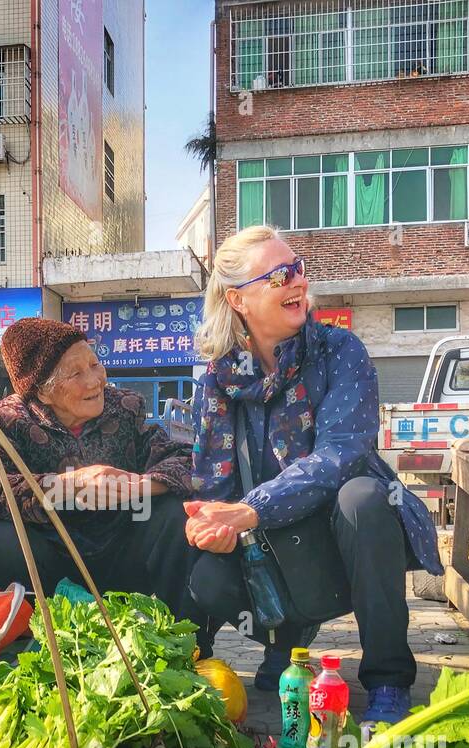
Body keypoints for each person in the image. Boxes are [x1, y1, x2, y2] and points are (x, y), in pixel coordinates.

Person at [186, 226, 441, 722]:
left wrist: (249, 510)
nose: (297, 282)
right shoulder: (216, 380)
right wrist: (212, 522)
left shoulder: (339, 351)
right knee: (202, 567)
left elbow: (341, 454)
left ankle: (388, 677)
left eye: (298, 268)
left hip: (342, 531)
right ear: (238, 299)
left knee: (365, 498)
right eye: (280, 275)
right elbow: (213, 482)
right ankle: (282, 645)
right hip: (272, 542)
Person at [0, 317, 207, 643]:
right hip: (48, 557)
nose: (95, 381)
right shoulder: (5, 422)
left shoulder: (124, 408)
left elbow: (187, 461)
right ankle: (26, 644)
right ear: (42, 392)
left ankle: (188, 646)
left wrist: (138, 485)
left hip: (117, 553)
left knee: (176, 514)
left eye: (95, 364)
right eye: (76, 373)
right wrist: (69, 486)